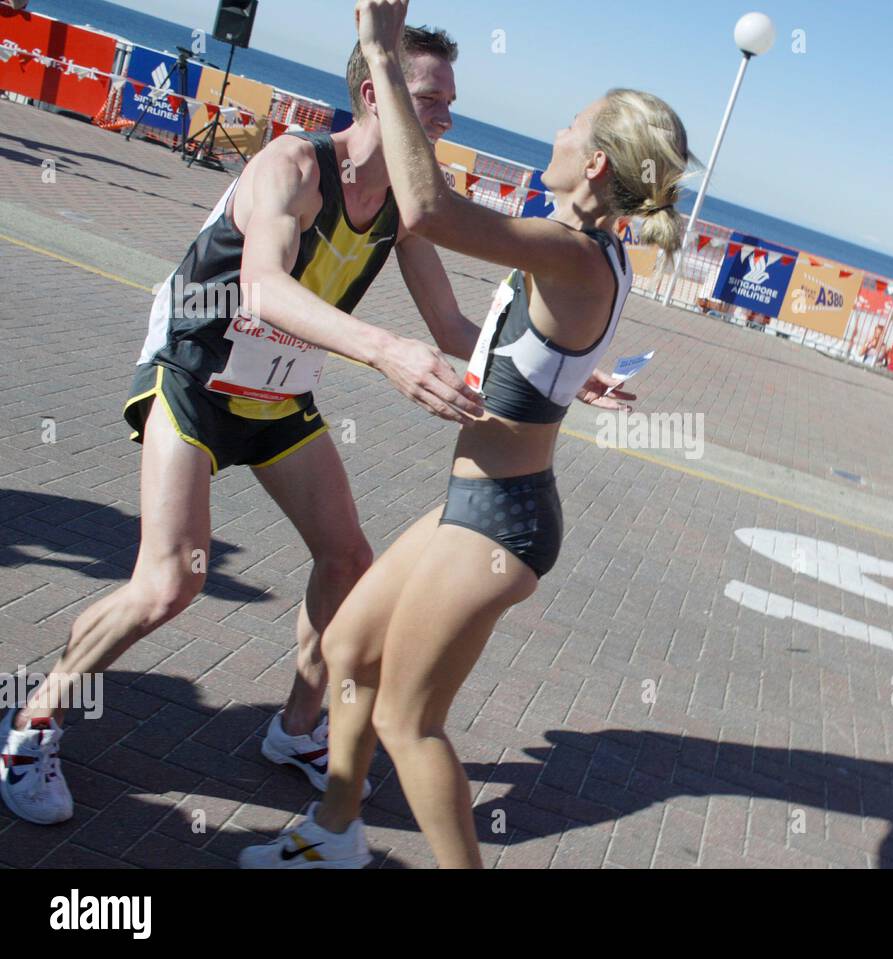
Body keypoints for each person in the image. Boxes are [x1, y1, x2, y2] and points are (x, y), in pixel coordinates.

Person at [0, 24, 623, 826]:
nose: (446, 121)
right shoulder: (293, 165)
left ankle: (295, 729)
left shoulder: (400, 203)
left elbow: (451, 326)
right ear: (377, 95)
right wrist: (379, 349)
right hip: (194, 373)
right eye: (431, 101)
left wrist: (563, 367)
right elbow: (259, 286)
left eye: (446, 105)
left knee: (347, 561)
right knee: (170, 581)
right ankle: (31, 721)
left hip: (276, 393)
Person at [238, 0, 689, 868]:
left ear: (593, 160)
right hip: (473, 507)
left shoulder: (573, 252)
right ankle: (335, 830)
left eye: (570, 126)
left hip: (502, 525)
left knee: (411, 724)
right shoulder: (576, 246)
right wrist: (563, 375)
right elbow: (524, 339)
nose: (553, 131)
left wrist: (376, 48)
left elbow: (431, 210)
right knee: (348, 648)